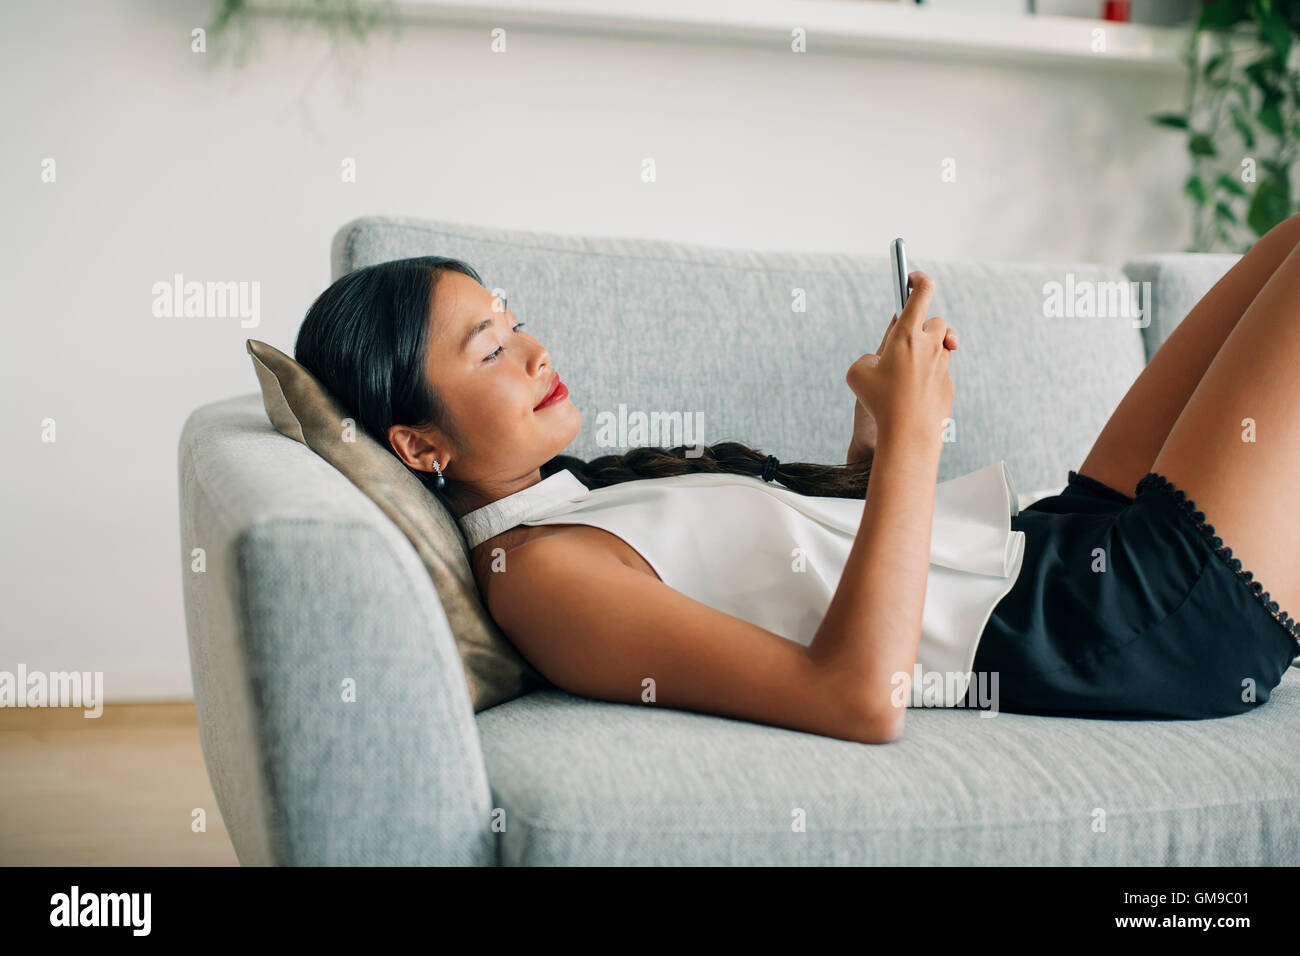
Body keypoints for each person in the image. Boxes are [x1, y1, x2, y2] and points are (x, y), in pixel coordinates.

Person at [294, 216, 1300, 744]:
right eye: (488, 349)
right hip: (1110, 624)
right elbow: (857, 694)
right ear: (418, 444)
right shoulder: (537, 576)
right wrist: (914, 433)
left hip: (1058, 542)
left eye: (511, 321)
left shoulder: (572, 499)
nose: (532, 349)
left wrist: (869, 444)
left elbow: (813, 578)